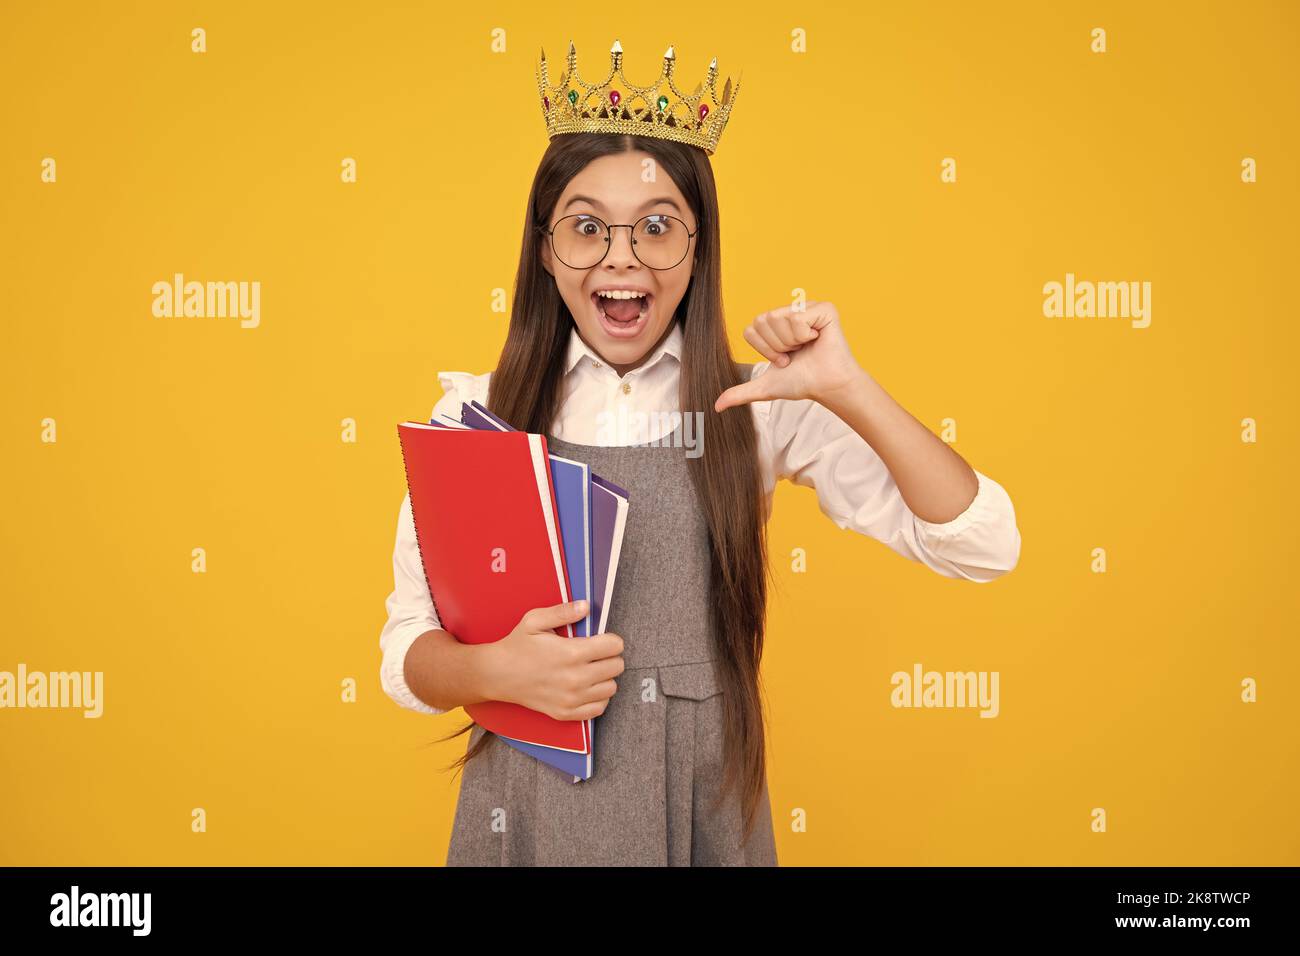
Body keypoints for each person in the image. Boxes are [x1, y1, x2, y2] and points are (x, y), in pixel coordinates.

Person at [378, 39, 1022, 866]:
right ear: (545, 250)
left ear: (698, 246)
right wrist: (497, 673)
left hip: (702, 810)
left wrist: (849, 389)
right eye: (585, 228)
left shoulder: (758, 407)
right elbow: (407, 653)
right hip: (526, 815)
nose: (621, 257)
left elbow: (985, 544)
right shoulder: (476, 413)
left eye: (657, 228)